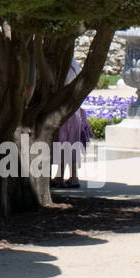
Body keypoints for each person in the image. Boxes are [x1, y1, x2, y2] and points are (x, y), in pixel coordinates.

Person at [52, 58, 93, 188]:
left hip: (65, 108)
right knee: (72, 143)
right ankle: (72, 176)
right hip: (75, 109)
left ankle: (61, 177)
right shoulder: (74, 63)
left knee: (64, 142)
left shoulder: (65, 64)